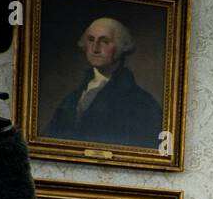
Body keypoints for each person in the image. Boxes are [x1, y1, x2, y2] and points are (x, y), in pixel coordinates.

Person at [43, 17, 163, 148]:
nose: (95, 48)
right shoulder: (71, 99)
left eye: (104, 41)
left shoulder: (142, 103)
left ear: (121, 47)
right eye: (90, 40)